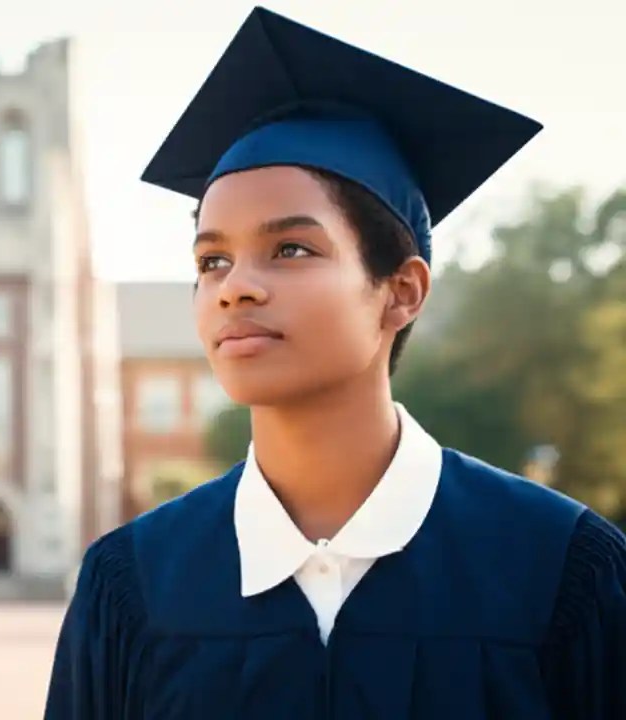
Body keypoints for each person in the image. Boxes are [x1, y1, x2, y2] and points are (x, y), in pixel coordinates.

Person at [43, 7, 626, 719]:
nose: (236, 287)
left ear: (401, 292)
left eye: (291, 249)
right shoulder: (133, 583)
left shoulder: (559, 570)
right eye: (212, 260)